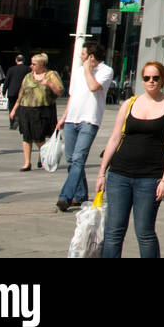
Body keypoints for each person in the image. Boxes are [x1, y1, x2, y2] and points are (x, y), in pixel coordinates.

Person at [96, 61, 164, 258]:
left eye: (155, 78)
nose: (151, 82)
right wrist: (102, 172)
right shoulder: (129, 103)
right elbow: (114, 138)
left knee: (145, 232)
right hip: (119, 174)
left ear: (163, 80)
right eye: (147, 78)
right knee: (113, 232)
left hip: (150, 177)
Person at [56, 41, 113, 212]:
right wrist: (64, 118)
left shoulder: (106, 71)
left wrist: (88, 69)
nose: (80, 56)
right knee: (71, 159)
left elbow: (94, 87)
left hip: (89, 120)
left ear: (91, 57)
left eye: (83, 54)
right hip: (72, 119)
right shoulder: (78, 71)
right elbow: (72, 96)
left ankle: (65, 196)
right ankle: (80, 195)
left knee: (79, 159)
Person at [11, 54, 62, 171]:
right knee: (26, 136)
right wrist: (14, 109)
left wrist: (49, 84)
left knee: (39, 137)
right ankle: (27, 163)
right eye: (31, 63)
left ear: (42, 65)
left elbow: (59, 91)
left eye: (34, 64)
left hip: (43, 110)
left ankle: (43, 156)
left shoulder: (51, 75)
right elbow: (21, 93)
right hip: (26, 109)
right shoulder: (28, 76)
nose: (31, 66)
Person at [3, 55, 30, 130]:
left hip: (12, 91)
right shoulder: (28, 69)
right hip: (23, 92)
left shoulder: (11, 69)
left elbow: (7, 81)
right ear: (23, 60)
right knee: (21, 108)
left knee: (11, 107)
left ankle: (12, 124)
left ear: (16, 60)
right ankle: (20, 122)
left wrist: (4, 90)